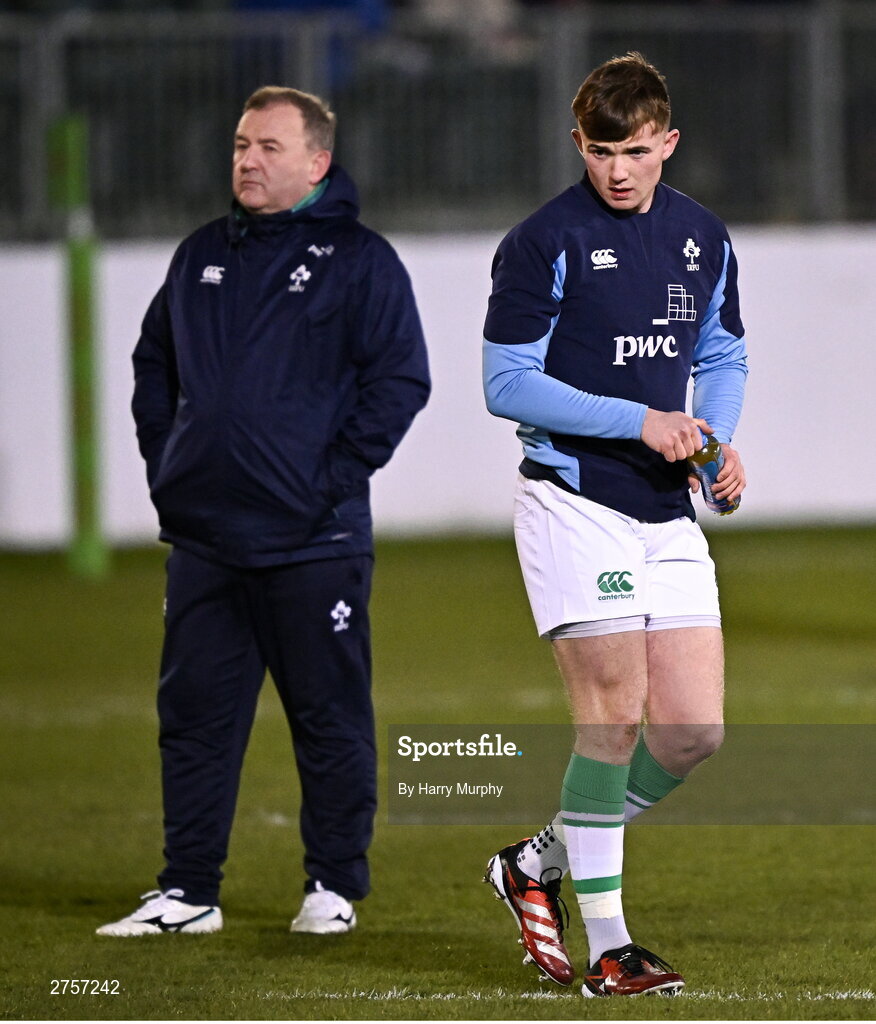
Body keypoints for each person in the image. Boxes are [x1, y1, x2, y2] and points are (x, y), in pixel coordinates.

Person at [97, 86, 430, 937]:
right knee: (195, 723)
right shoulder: (200, 254)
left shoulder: (362, 261)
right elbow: (151, 363)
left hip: (314, 541)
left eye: (269, 147)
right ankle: (187, 891)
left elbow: (400, 381)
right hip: (207, 540)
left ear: (317, 163)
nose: (247, 159)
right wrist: (168, 462)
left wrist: (330, 479)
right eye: (241, 144)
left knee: (329, 719)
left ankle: (332, 888)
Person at [481, 52, 747, 997]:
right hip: (574, 501)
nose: (619, 170)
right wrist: (643, 421)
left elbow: (722, 351)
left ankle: (534, 862)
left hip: (662, 509)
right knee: (612, 716)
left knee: (690, 733)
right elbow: (504, 383)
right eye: (601, 151)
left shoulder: (702, 237)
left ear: (668, 142)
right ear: (578, 144)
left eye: (636, 151)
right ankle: (608, 946)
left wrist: (714, 439)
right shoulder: (541, 241)